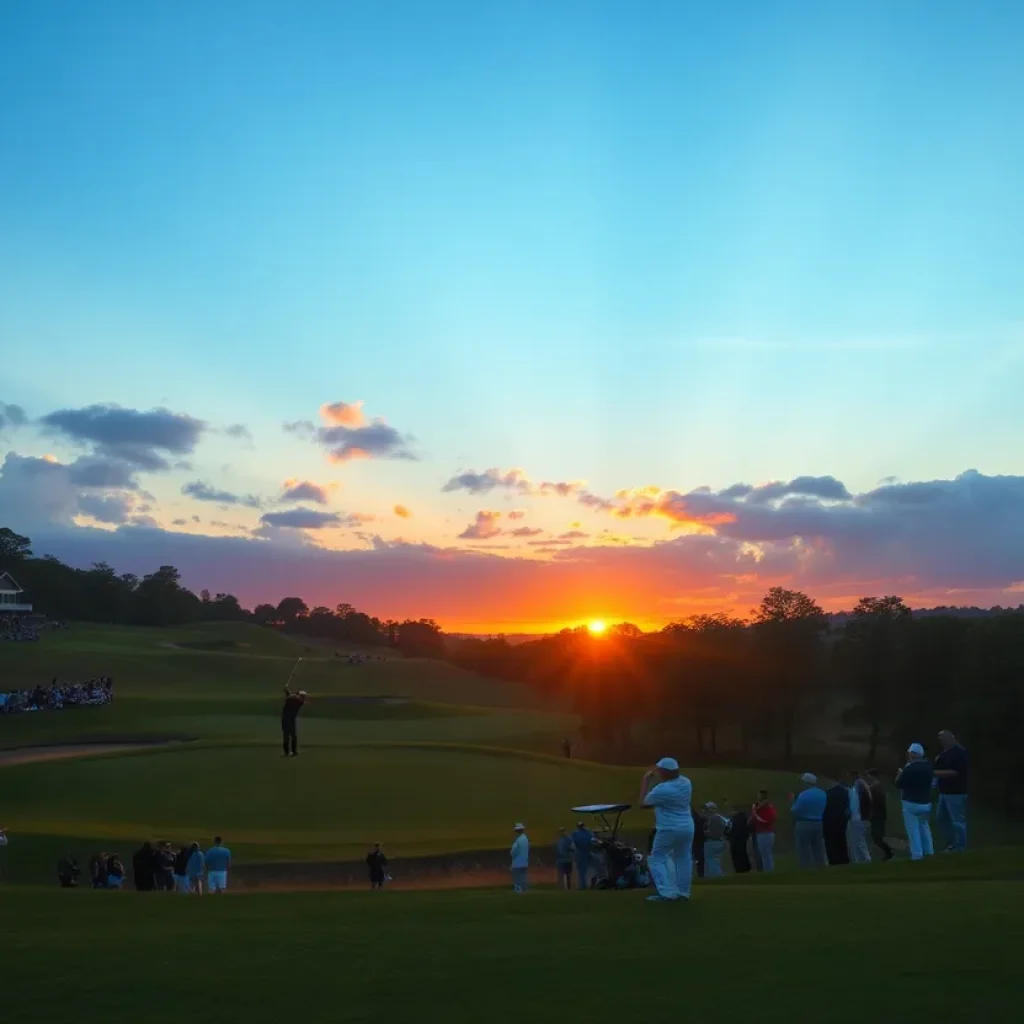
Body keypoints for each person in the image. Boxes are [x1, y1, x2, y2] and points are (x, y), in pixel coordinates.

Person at [640, 756, 694, 902]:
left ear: (664, 772)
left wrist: (646, 781)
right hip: (687, 827)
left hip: (668, 828)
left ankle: (667, 892)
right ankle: (683, 892)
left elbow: (643, 803)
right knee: (683, 857)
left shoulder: (662, 789)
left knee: (657, 858)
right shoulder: (686, 782)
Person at [896, 743, 935, 861]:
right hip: (926, 803)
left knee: (913, 830)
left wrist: (900, 774)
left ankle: (917, 855)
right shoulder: (929, 766)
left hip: (911, 803)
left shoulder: (909, 768)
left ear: (913, 754)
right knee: (925, 827)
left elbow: (898, 784)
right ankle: (929, 851)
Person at [933, 730, 968, 853]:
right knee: (941, 819)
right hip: (944, 792)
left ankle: (960, 846)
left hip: (956, 792)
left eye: (943, 738)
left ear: (951, 738)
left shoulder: (959, 753)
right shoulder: (945, 752)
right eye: (940, 739)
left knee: (957, 820)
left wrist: (935, 773)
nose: (942, 741)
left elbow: (955, 772)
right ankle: (951, 843)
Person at [790, 773, 827, 868]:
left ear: (806, 783)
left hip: (804, 823)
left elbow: (795, 810)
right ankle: (820, 867)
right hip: (819, 823)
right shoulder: (822, 793)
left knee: (803, 848)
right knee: (818, 848)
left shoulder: (803, 795)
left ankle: (806, 868)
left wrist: (792, 801)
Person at [864, 770, 894, 860]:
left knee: (876, 837)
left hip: (877, 815)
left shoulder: (875, 788)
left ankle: (889, 853)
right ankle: (888, 853)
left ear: (873, 776)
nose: (868, 778)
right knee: (876, 837)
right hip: (878, 815)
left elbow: (876, 801)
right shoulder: (877, 787)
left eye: (869, 776)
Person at [845, 770, 873, 864]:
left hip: (858, 819)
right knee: (855, 842)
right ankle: (859, 861)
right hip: (859, 818)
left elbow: (856, 804)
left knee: (859, 841)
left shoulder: (858, 786)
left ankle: (866, 859)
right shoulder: (859, 785)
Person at [823, 777, 851, 866]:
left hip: (830, 821)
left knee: (831, 842)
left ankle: (833, 860)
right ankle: (844, 859)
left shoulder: (829, 793)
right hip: (842, 820)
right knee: (841, 840)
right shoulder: (845, 791)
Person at [750, 790, 777, 872]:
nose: (757, 796)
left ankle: (769, 871)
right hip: (760, 832)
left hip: (766, 832)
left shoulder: (767, 807)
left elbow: (772, 818)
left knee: (766, 853)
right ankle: (767, 870)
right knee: (764, 854)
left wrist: (756, 817)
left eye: (759, 795)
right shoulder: (758, 806)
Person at [281, 685, 309, 757]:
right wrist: (286, 690)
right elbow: (290, 696)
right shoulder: (298, 700)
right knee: (292, 736)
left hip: (285, 719)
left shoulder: (296, 699)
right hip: (290, 720)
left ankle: (287, 752)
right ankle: (293, 752)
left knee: (287, 736)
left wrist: (286, 690)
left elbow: (290, 696)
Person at [702, 802, 729, 878]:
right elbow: (728, 827)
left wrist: (704, 833)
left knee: (710, 860)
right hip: (719, 841)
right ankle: (715, 875)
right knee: (715, 860)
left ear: (712, 809)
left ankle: (717, 875)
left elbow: (714, 832)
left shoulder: (714, 819)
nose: (705, 811)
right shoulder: (720, 818)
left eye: (707, 809)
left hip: (713, 841)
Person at [727, 805, 752, 874]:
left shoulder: (737, 819)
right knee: (741, 854)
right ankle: (743, 868)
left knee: (738, 855)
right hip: (739, 839)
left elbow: (734, 829)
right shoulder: (741, 818)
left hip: (737, 840)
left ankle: (740, 869)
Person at [571, 821, 593, 890]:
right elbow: (592, 843)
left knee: (581, 871)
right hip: (588, 853)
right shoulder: (589, 833)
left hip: (580, 854)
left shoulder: (575, 834)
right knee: (588, 870)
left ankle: (582, 886)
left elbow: (573, 846)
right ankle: (588, 885)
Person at [510, 823, 530, 892]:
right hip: (525, 862)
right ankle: (525, 890)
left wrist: (512, 855)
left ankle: (518, 891)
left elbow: (514, 851)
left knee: (517, 878)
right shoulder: (526, 839)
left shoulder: (518, 840)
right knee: (524, 877)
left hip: (517, 863)